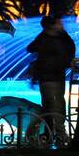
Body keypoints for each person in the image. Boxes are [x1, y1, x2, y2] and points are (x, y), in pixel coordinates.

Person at [27, 16, 75, 146]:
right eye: (58, 23)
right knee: (57, 107)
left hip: (47, 78)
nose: (61, 25)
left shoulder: (44, 38)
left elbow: (30, 48)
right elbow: (69, 49)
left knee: (48, 107)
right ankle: (60, 135)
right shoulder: (55, 39)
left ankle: (46, 134)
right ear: (53, 25)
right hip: (54, 78)